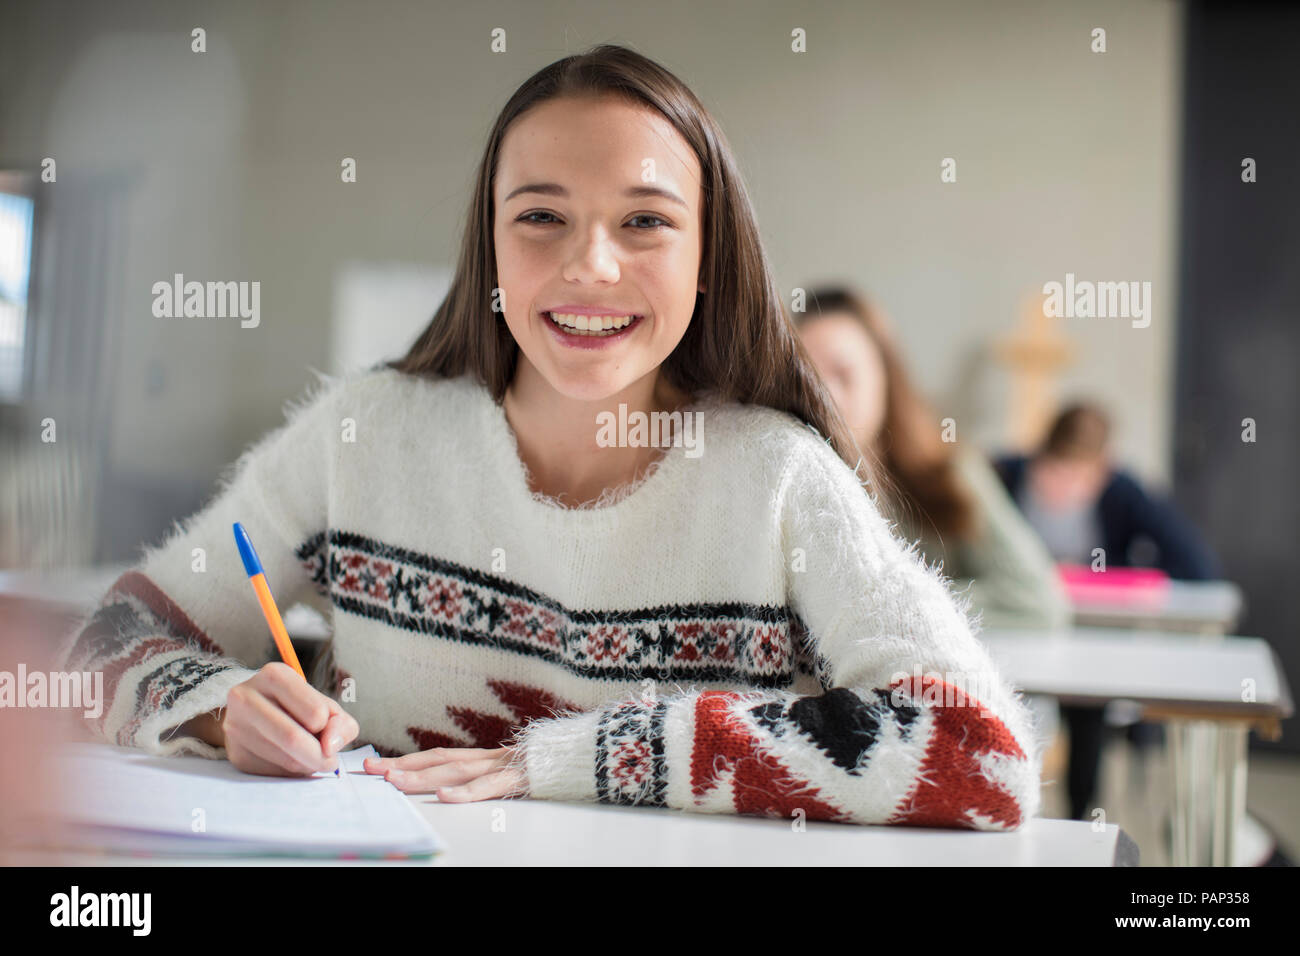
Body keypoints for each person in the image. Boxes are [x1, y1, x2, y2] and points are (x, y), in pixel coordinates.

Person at [55, 45, 1040, 830]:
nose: (590, 264)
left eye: (645, 222)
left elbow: (981, 753)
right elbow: (103, 642)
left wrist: (573, 759)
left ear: (709, 259)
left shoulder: (775, 478)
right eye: (540, 217)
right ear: (489, 242)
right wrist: (223, 707)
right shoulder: (364, 435)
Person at [793, 287, 1070, 632]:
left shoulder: (949, 470)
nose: (826, 395)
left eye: (844, 373)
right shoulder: (787, 485)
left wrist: (897, 604)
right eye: (808, 378)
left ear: (886, 380)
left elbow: (1037, 600)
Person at [994, 402, 1222, 821]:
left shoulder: (1121, 491)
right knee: (1000, 709)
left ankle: (1082, 816)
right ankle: (1001, 805)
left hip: (1086, 636)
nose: (1062, 490)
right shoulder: (1004, 476)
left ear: (1103, 470)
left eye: (1077, 478)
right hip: (1015, 630)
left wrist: (1129, 578)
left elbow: (1194, 562)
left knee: (1087, 704)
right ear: (1039, 455)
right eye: (1054, 473)